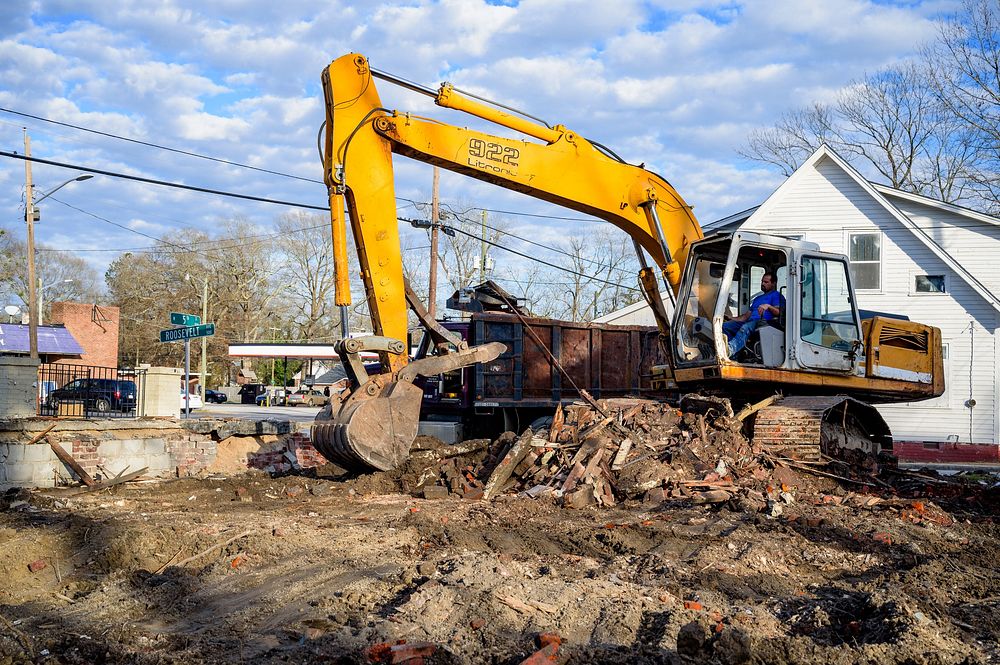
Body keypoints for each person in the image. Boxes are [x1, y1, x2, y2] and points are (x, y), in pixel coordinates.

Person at [722, 272, 784, 358]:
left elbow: (779, 312)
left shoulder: (777, 296)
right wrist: (731, 318)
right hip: (750, 321)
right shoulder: (757, 299)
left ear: (773, 283)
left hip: (765, 322)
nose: (762, 284)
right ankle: (734, 355)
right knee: (724, 326)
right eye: (762, 281)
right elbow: (745, 317)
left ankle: (729, 350)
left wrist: (768, 306)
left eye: (766, 282)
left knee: (745, 327)